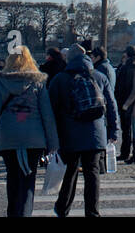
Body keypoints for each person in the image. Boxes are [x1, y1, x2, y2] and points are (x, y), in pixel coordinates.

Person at [0, 48, 59, 217]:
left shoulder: (2, 82)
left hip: (8, 137)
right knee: (28, 181)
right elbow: (47, 116)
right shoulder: (38, 83)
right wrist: (53, 143)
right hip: (33, 138)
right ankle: (25, 213)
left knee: (12, 178)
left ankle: (12, 213)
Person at [47, 44, 119, 216]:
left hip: (69, 134)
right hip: (96, 134)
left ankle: (63, 208)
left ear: (68, 59)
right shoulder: (100, 77)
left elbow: (51, 110)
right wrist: (114, 130)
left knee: (70, 171)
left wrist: (51, 137)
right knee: (92, 173)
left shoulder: (60, 79)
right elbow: (112, 106)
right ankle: (92, 212)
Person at [114, 46, 135, 163]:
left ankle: (125, 152)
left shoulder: (124, 68)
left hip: (124, 102)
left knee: (126, 129)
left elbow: (119, 87)